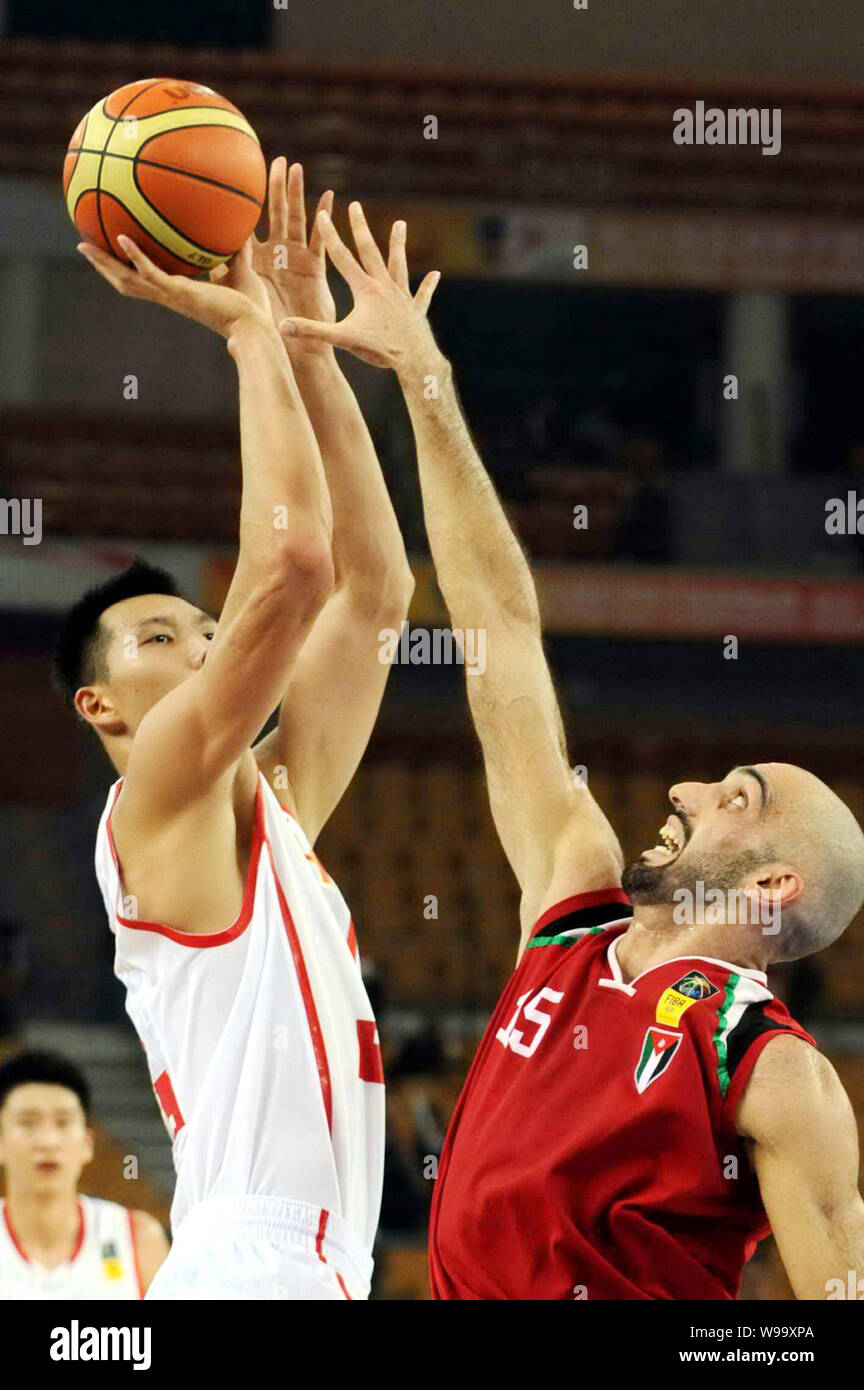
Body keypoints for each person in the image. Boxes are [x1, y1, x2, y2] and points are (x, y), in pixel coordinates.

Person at [283, 204, 864, 1300]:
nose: (687, 786)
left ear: (776, 883)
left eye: (735, 796)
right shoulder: (574, 901)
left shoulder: (779, 1072)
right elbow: (496, 622)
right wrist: (424, 378)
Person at [53, 163, 414, 1299]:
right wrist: (248, 335)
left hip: (306, 1261)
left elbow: (374, 593)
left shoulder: (272, 810)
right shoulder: (151, 794)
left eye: (205, 627)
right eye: (159, 639)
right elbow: (295, 564)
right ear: (100, 705)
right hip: (257, 1261)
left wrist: (308, 345)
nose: (203, 645)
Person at [0, 1049, 167, 1298]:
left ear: (88, 1144)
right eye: (28, 1122)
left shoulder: (139, 1239)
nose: (47, 1141)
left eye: (63, 1122)